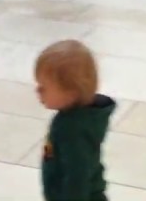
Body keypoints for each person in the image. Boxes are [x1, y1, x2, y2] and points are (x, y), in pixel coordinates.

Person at [35, 40, 115, 201]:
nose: (37, 91)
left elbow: (77, 177)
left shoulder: (71, 130)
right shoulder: (80, 119)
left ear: (71, 92)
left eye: (43, 87)